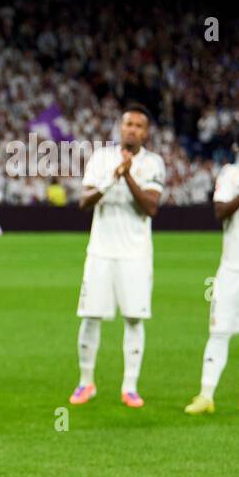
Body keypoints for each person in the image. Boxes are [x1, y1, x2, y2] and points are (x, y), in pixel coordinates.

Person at [70, 103, 165, 408]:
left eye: (138, 125)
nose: (131, 130)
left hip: (135, 254)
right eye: (127, 124)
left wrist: (128, 177)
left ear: (146, 132)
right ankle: (86, 382)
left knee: (134, 318)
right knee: (90, 315)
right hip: (100, 251)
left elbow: (150, 208)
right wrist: (112, 178)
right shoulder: (101, 158)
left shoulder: (153, 163)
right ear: (120, 127)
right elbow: (84, 203)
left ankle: (130, 386)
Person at [184, 122, 239, 415]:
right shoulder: (231, 174)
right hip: (232, 268)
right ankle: (206, 394)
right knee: (219, 332)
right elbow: (220, 212)